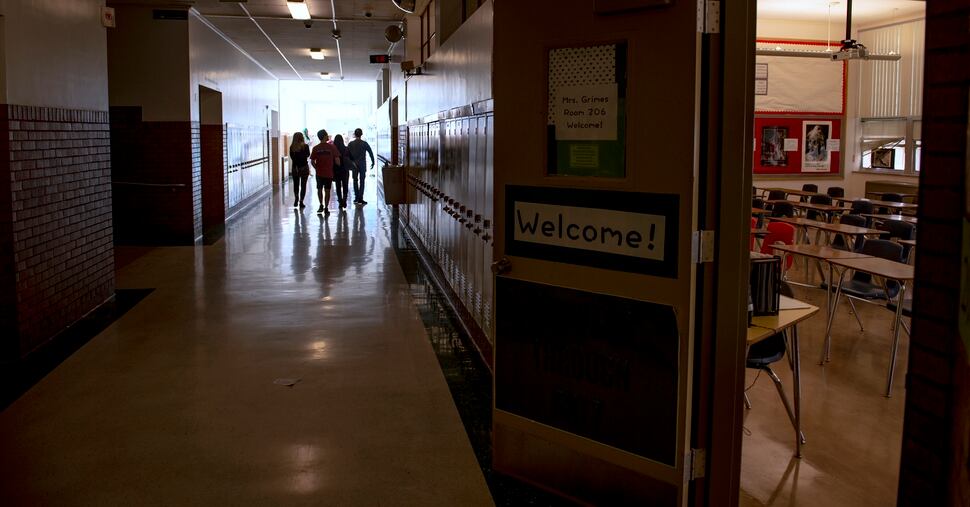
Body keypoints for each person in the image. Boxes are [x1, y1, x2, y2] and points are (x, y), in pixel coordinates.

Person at [309, 129, 341, 216]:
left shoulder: (316, 148)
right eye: (327, 135)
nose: (328, 136)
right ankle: (326, 207)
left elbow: (312, 161)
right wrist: (337, 167)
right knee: (327, 190)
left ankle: (321, 205)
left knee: (319, 189)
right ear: (324, 136)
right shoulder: (332, 147)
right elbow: (337, 160)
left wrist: (317, 168)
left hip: (319, 173)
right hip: (329, 173)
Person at [347, 128, 375, 206]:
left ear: (355, 135)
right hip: (362, 164)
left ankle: (356, 197)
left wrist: (350, 163)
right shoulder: (364, 143)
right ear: (361, 134)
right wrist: (373, 162)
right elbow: (370, 152)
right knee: (362, 181)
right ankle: (360, 198)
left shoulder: (350, 144)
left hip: (354, 165)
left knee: (355, 180)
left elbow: (347, 155)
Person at [288, 132, 310, 208]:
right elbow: (308, 155)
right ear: (302, 138)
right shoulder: (306, 146)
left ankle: (296, 197)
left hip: (295, 168)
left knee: (296, 185)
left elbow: (292, 158)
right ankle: (301, 201)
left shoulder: (292, 147)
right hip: (304, 167)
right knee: (303, 185)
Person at [332, 134, 353, 211]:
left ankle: (340, 201)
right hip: (345, 169)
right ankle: (344, 200)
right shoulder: (346, 149)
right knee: (345, 185)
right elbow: (351, 158)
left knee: (337, 186)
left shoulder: (333, 149)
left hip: (336, 170)